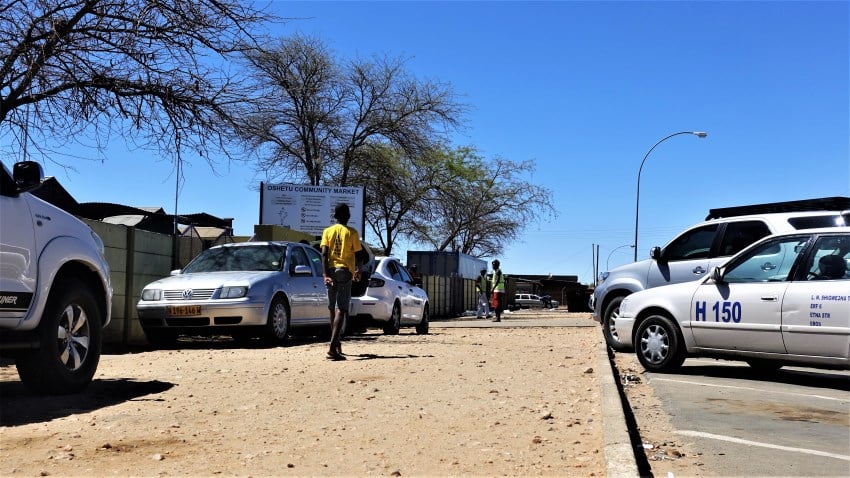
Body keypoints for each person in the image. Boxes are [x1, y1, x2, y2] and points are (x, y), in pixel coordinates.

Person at [320, 203, 363, 360]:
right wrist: (359, 270)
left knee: (332, 309)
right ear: (349, 216)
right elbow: (359, 255)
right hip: (344, 272)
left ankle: (336, 343)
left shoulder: (327, 231)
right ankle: (332, 348)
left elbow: (324, 254)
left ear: (335, 216)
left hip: (330, 271)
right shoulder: (352, 232)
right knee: (341, 309)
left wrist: (325, 274)